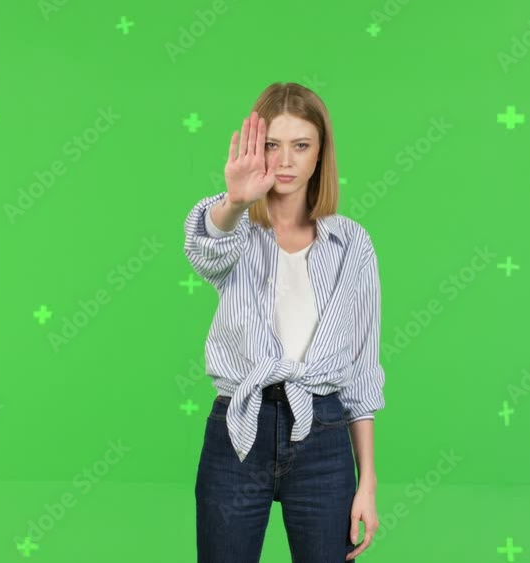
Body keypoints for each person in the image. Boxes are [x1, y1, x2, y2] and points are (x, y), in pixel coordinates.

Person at [183, 82, 385, 562]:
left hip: (324, 434)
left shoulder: (352, 245)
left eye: (301, 145)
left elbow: (361, 372)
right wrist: (235, 201)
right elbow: (204, 250)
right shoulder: (235, 230)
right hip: (239, 430)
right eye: (273, 145)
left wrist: (368, 482)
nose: (286, 161)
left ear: (320, 154)